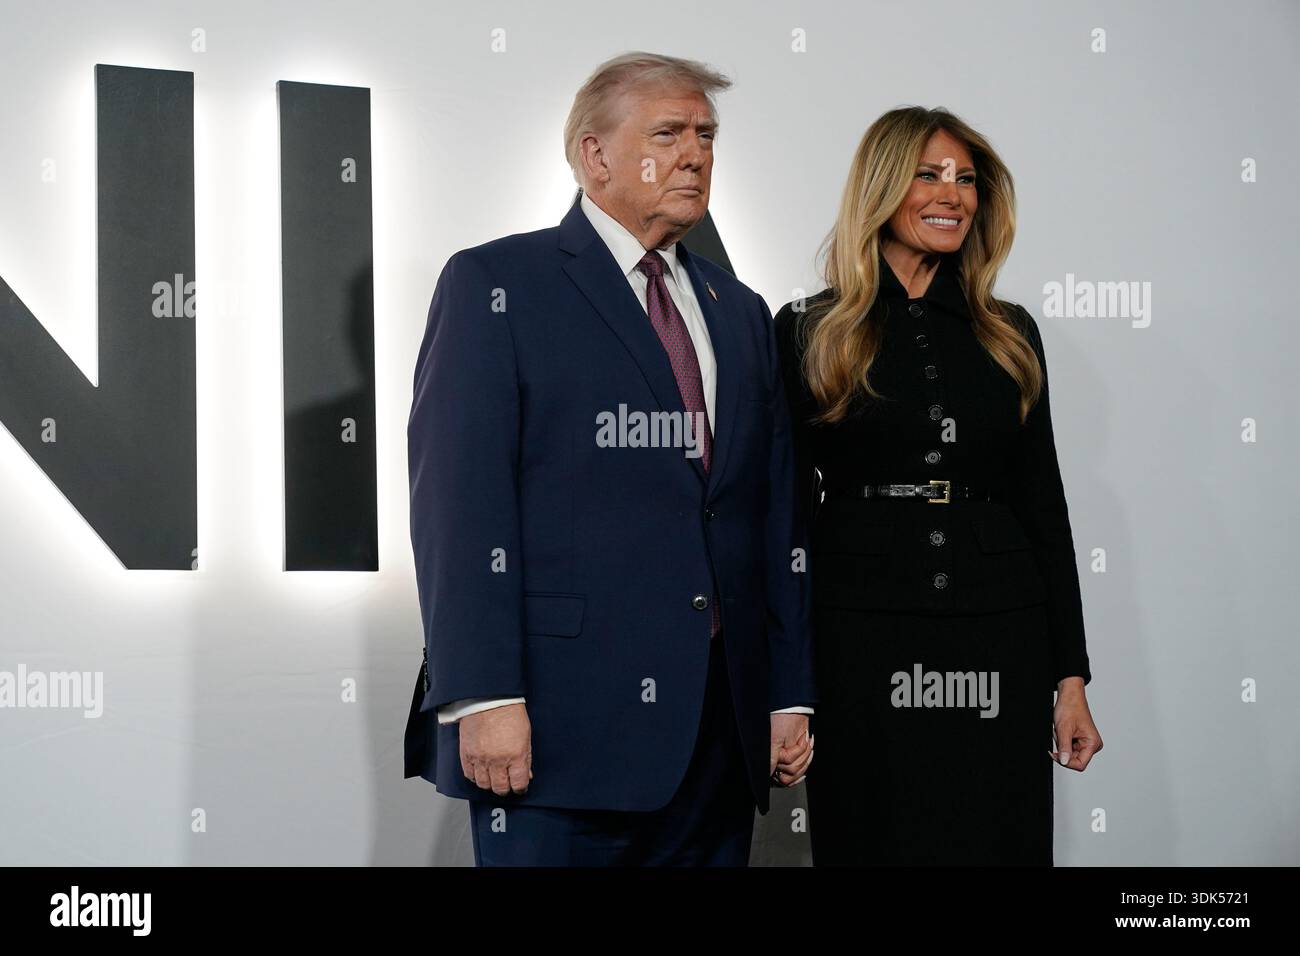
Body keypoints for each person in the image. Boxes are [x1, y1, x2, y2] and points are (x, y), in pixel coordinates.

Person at [403, 51, 816, 866]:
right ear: (594, 155)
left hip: (718, 739)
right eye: (669, 132)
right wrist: (483, 694)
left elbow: (773, 510)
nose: (697, 153)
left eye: (707, 134)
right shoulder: (497, 283)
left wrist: (788, 690)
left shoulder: (739, 311)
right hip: (558, 734)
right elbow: (459, 503)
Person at [774, 107, 1103, 866]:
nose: (951, 193)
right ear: (883, 188)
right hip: (858, 637)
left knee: (996, 840)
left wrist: (1071, 676)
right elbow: (782, 515)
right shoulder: (808, 329)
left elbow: (1043, 506)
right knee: (871, 838)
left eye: (965, 179)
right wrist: (786, 687)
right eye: (928, 174)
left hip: (1000, 634)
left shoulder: (1009, 330)